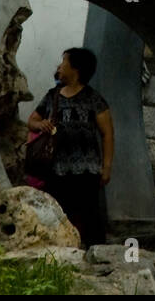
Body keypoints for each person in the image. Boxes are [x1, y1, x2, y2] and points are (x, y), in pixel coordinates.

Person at [27, 47, 113, 248]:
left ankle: (97, 254)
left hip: (87, 169)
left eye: (63, 61)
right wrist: (41, 125)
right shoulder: (52, 96)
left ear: (76, 68)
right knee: (56, 214)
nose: (59, 66)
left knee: (91, 216)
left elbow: (107, 133)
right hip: (56, 168)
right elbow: (32, 121)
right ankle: (57, 254)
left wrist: (106, 167)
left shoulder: (94, 98)